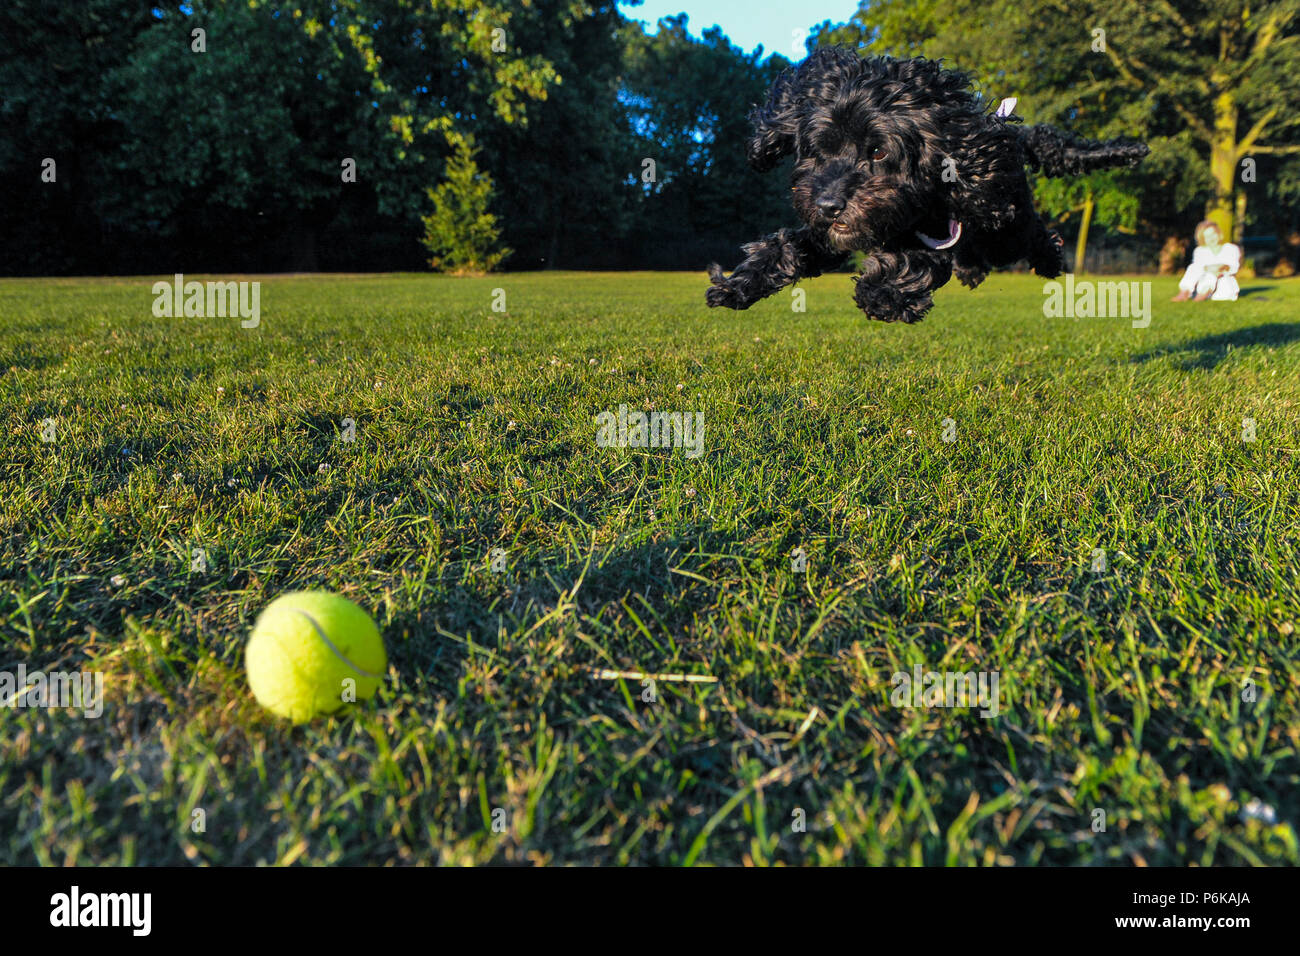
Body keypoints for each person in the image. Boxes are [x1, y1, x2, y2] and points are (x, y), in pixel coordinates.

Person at [1172, 220, 1241, 301]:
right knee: (1194, 268)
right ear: (1203, 239)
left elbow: (1233, 267)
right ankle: (1185, 291)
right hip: (1204, 281)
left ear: (1219, 234)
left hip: (1224, 284)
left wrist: (1219, 268)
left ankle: (1202, 294)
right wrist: (1208, 269)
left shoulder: (1230, 248)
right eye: (1207, 237)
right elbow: (1198, 268)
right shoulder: (1200, 251)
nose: (1211, 239)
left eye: (1213, 234)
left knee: (1212, 275)